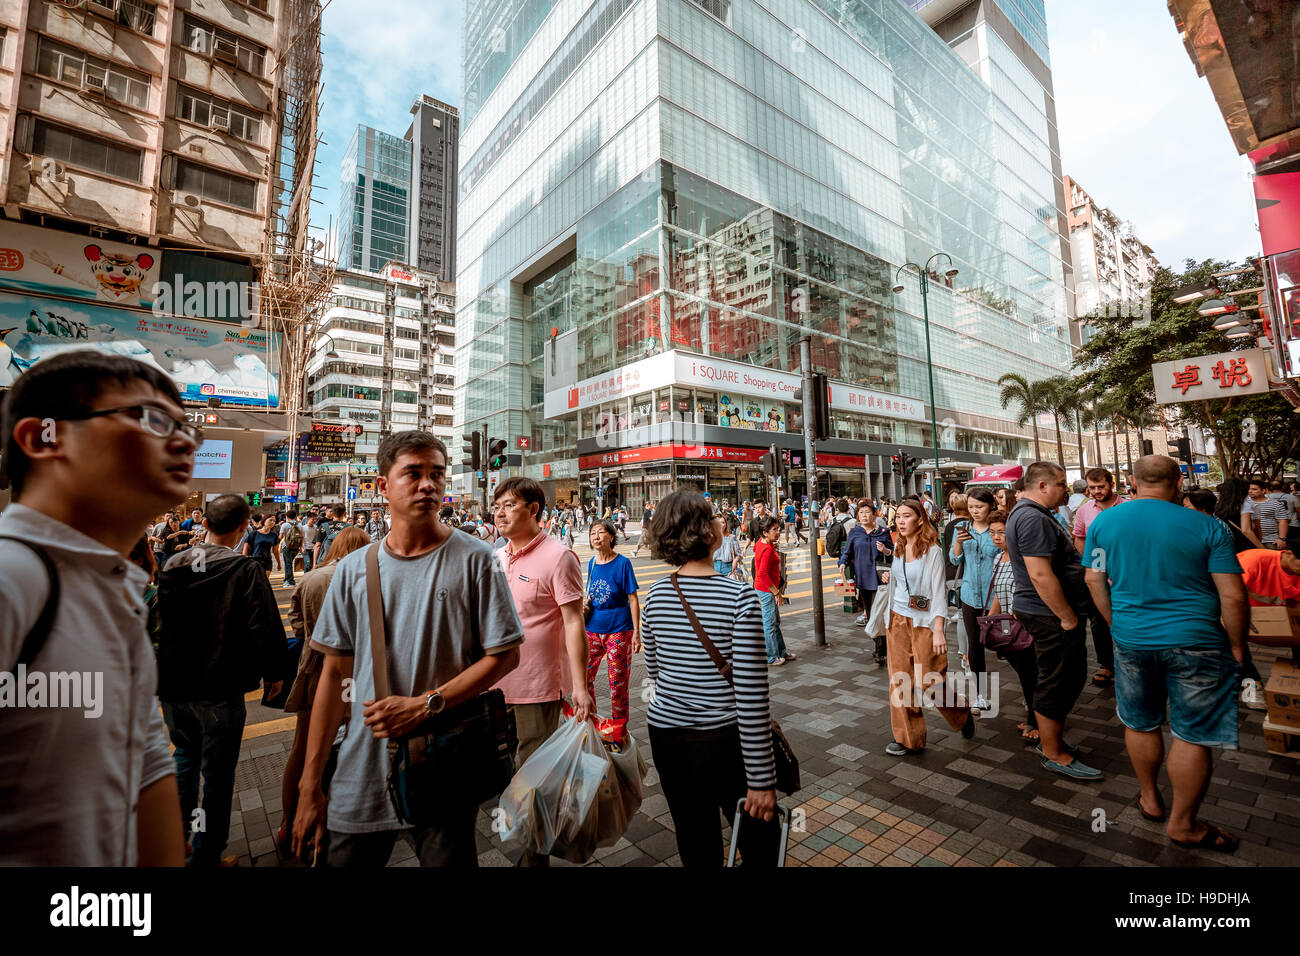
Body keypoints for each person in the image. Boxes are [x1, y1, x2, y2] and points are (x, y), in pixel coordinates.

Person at [292, 432, 523, 867]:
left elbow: (505, 655)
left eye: (436, 474)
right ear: (382, 486)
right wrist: (310, 785)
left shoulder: (476, 559)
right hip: (359, 771)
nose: (428, 485)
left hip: (443, 763)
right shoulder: (353, 570)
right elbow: (333, 674)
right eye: (413, 474)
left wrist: (428, 704)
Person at [0, 350, 188, 865]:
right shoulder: (12, 579)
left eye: (185, 427)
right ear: (43, 437)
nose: (184, 441)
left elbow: (147, 765)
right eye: (151, 419)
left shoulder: (117, 593)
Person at [1085, 456, 1246, 853]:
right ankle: (1183, 824)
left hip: (1132, 640)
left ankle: (1150, 799)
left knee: (1140, 723)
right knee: (1191, 735)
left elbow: (1093, 577)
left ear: (1132, 482)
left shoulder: (1104, 524)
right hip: (1198, 642)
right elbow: (1232, 594)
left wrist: (1113, 622)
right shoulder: (1208, 526)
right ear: (1178, 482)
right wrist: (1238, 645)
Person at [640, 491, 780, 866]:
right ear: (706, 532)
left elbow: (654, 674)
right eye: (714, 517)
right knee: (758, 841)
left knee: (695, 838)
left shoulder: (654, 595)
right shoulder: (741, 598)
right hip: (724, 738)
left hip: (666, 737)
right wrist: (762, 780)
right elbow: (751, 697)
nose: (721, 522)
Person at [156, 493, 291, 867]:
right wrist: (275, 674)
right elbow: (263, 625)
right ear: (243, 526)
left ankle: (174, 844)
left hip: (174, 684)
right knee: (217, 774)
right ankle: (206, 854)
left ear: (206, 524)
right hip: (220, 685)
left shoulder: (175, 564)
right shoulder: (244, 569)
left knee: (184, 759)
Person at [491, 476, 593, 866]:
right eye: (497, 505)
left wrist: (580, 687)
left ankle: (533, 857)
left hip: (538, 688)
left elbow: (573, 623)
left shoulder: (558, 556)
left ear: (534, 510)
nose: (499, 512)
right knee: (506, 775)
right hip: (495, 687)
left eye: (509, 505)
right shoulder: (496, 555)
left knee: (535, 783)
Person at [277, 525, 371, 853]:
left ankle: (289, 823)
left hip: (313, 671)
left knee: (303, 748)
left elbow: (298, 627)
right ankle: (334, 823)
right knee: (351, 746)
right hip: (354, 674)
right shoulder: (363, 579)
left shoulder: (311, 578)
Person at [1005, 462, 1101, 780]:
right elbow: (1040, 574)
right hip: (1048, 615)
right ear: (1043, 485)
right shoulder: (1031, 517)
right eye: (1060, 484)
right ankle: (1052, 752)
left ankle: (1052, 739)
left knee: (1068, 676)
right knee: (1057, 679)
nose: (1066, 490)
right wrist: (1067, 617)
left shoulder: (1036, 514)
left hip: (1050, 612)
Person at [883, 499, 975, 756]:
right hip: (897, 619)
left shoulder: (932, 551)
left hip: (923, 622)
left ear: (920, 519)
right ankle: (907, 739)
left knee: (930, 680)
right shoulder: (899, 547)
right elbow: (901, 584)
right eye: (898, 516)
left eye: (907, 516)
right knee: (899, 680)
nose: (901, 521)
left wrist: (938, 629)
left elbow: (937, 592)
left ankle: (961, 713)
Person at [985, 511, 1040, 741]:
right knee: (1025, 676)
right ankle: (1036, 718)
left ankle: (1037, 723)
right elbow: (998, 594)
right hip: (1009, 628)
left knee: (1032, 676)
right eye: (992, 532)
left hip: (1027, 625)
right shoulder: (998, 558)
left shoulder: (1023, 559)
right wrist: (989, 620)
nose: (997, 537)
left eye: (1001, 532)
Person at [582, 518, 641, 725]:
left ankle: (619, 729)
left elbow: (633, 599)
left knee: (618, 685)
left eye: (599, 532)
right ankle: (591, 722)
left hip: (619, 630)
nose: (595, 537)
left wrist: (636, 632)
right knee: (583, 677)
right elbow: (592, 593)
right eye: (592, 534)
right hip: (592, 629)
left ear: (611, 536)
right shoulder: (591, 563)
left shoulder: (622, 563)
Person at [1071, 468, 1122, 688]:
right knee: (1099, 621)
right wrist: (1091, 564)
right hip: (1098, 571)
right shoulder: (1085, 510)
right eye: (1092, 488)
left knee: (1125, 618)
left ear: (1111, 484)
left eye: (1101, 487)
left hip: (1123, 571)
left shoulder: (1126, 506)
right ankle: (1106, 665)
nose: (1096, 491)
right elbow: (1079, 538)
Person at [951, 488, 1000, 711]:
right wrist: (959, 543)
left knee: (1006, 644)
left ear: (990, 506)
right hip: (970, 595)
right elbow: (953, 559)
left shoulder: (998, 529)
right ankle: (980, 694)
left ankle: (1029, 694)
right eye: (971, 507)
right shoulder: (963, 528)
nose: (974, 511)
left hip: (996, 597)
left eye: (979, 507)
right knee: (974, 645)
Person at [840, 500, 893, 628]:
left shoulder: (883, 532)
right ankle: (878, 644)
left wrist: (885, 550)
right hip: (863, 579)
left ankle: (882, 645)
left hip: (880, 579)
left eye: (867, 512)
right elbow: (847, 552)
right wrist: (842, 563)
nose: (863, 515)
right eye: (861, 512)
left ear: (874, 514)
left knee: (880, 614)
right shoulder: (855, 532)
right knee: (870, 615)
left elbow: (894, 554)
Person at [753, 517, 792, 666]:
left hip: (766, 588)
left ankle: (781, 652)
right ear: (765, 532)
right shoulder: (767, 549)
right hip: (766, 590)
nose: (778, 532)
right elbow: (762, 574)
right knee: (769, 624)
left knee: (776, 622)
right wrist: (776, 593)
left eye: (778, 529)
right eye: (774, 530)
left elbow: (757, 549)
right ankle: (771, 657)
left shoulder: (762, 544)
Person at [1212, 479, 1263, 550]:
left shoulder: (1218, 506)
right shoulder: (1244, 505)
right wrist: (1262, 548)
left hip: (1225, 544)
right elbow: (1246, 530)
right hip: (1243, 545)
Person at [1243, 479, 1289, 550]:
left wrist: (1281, 539)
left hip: (1270, 541)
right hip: (1249, 540)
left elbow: (1283, 521)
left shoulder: (1275, 503)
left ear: (1263, 491)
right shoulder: (1244, 504)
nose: (1250, 491)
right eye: (1249, 489)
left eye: (1254, 489)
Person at [280, 509, 304, 587]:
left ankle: (289, 581)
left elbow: (281, 536)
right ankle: (289, 581)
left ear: (287, 517)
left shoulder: (285, 525)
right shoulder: (300, 525)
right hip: (296, 547)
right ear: (296, 516)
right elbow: (302, 537)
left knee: (288, 564)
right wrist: (301, 547)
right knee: (289, 563)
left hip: (286, 546)